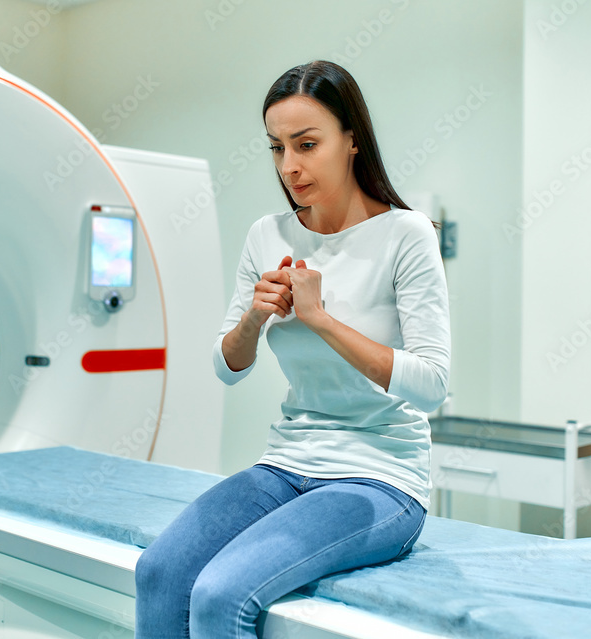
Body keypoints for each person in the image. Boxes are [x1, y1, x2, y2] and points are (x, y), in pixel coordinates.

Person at [134, 60, 451, 638]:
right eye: (277, 148)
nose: (289, 166)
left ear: (352, 139)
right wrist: (256, 316)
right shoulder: (268, 234)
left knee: (220, 594)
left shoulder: (406, 234)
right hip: (287, 464)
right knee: (159, 572)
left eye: (306, 145)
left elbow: (432, 385)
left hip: (381, 478)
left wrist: (320, 320)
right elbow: (227, 367)